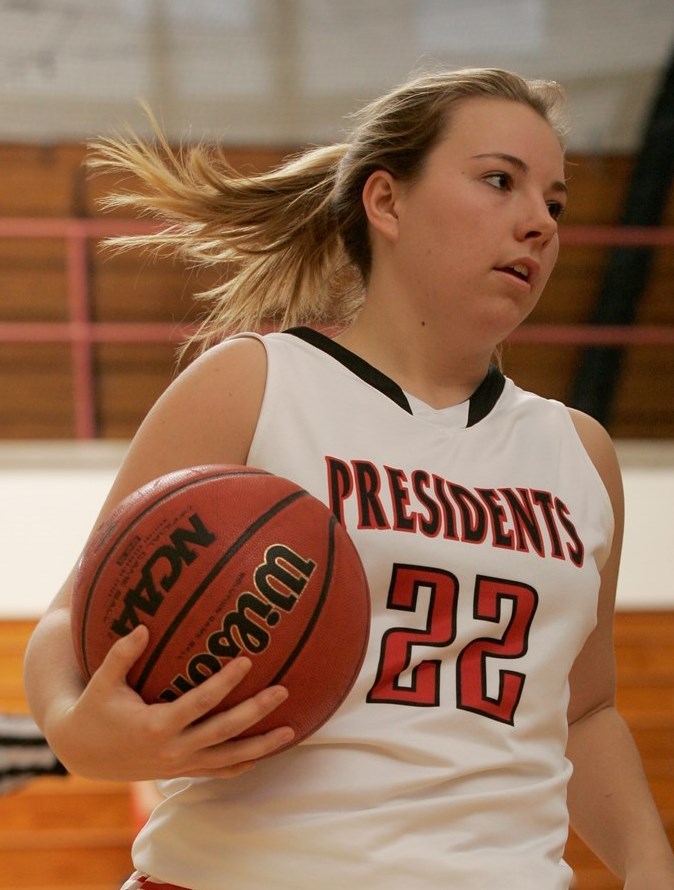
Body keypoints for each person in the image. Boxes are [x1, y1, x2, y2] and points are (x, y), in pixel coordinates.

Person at [23, 68, 674, 890]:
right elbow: (70, 620)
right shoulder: (256, 384)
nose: (539, 222)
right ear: (387, 202)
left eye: (555, 202)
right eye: (499, 181)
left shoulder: (580, 454)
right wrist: (78, 728)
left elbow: (583, 709)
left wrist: (651, 864)